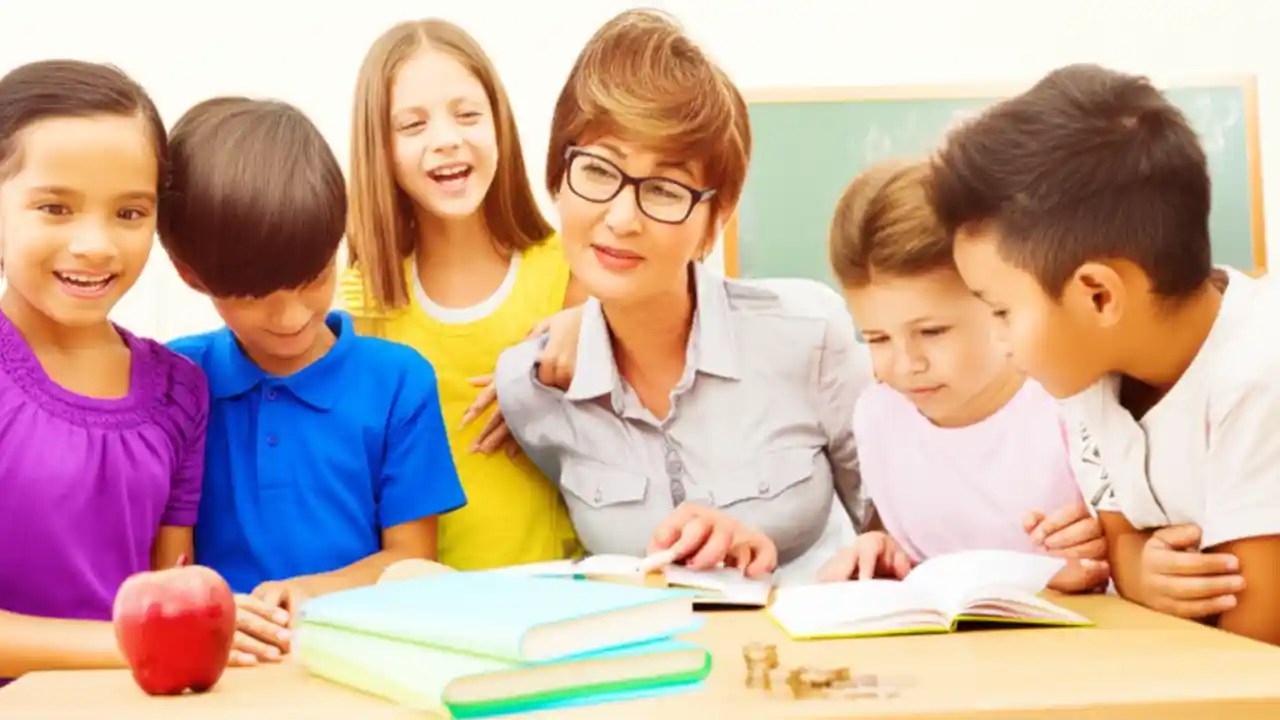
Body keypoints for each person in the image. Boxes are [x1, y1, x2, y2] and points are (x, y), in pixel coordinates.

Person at [495, 9, 873, 583]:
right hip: (644, 665)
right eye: (598, 171)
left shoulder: (808, 334)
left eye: (666, 189)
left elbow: (897, 534)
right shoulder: (534, 387)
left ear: (714, 220)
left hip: (799, 663)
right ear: (557, 177)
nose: (621, 219)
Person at [931, 63, 1280, 644]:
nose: (1000, 342)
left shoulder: (1258, 374)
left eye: (1001, 312)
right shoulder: (1089, 369)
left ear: (1098, 295)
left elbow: (1256, 648)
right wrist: (1140, 571)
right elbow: (1121, 540)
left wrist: (1141, 573)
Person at [161, 97, 465, 666]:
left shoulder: (398, 381)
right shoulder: (178, 383)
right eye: (255, 297)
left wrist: (312, 592)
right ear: (190, 275)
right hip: (217, 670)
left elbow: (410, 560)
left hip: (361, 662)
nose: (291, 317)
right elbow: (166, 566)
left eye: (313, 276)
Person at [339, 19, 583, 571]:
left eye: (468, 114)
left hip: (554, 589)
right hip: (418, 601)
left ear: (500, 123)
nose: (447, 138)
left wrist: (557, 371)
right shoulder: (361, 296)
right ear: (381, 146)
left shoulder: (569, 270)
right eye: (413, 124)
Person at [0, 60, 208, 680]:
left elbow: (170, 587)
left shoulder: (180, 391)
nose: (96, 244)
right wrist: (133, 644)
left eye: (129, 213)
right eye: (56, 208)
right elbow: (152, 633)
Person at [817, 159, 1108, 592]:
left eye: (932, 332)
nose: (906, 364)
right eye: (877, 338)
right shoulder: (879, 415)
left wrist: (1107, 546)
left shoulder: (1070, 402)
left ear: (998, 302)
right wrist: (881, 548)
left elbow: (1136, 557)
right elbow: (919, 554)